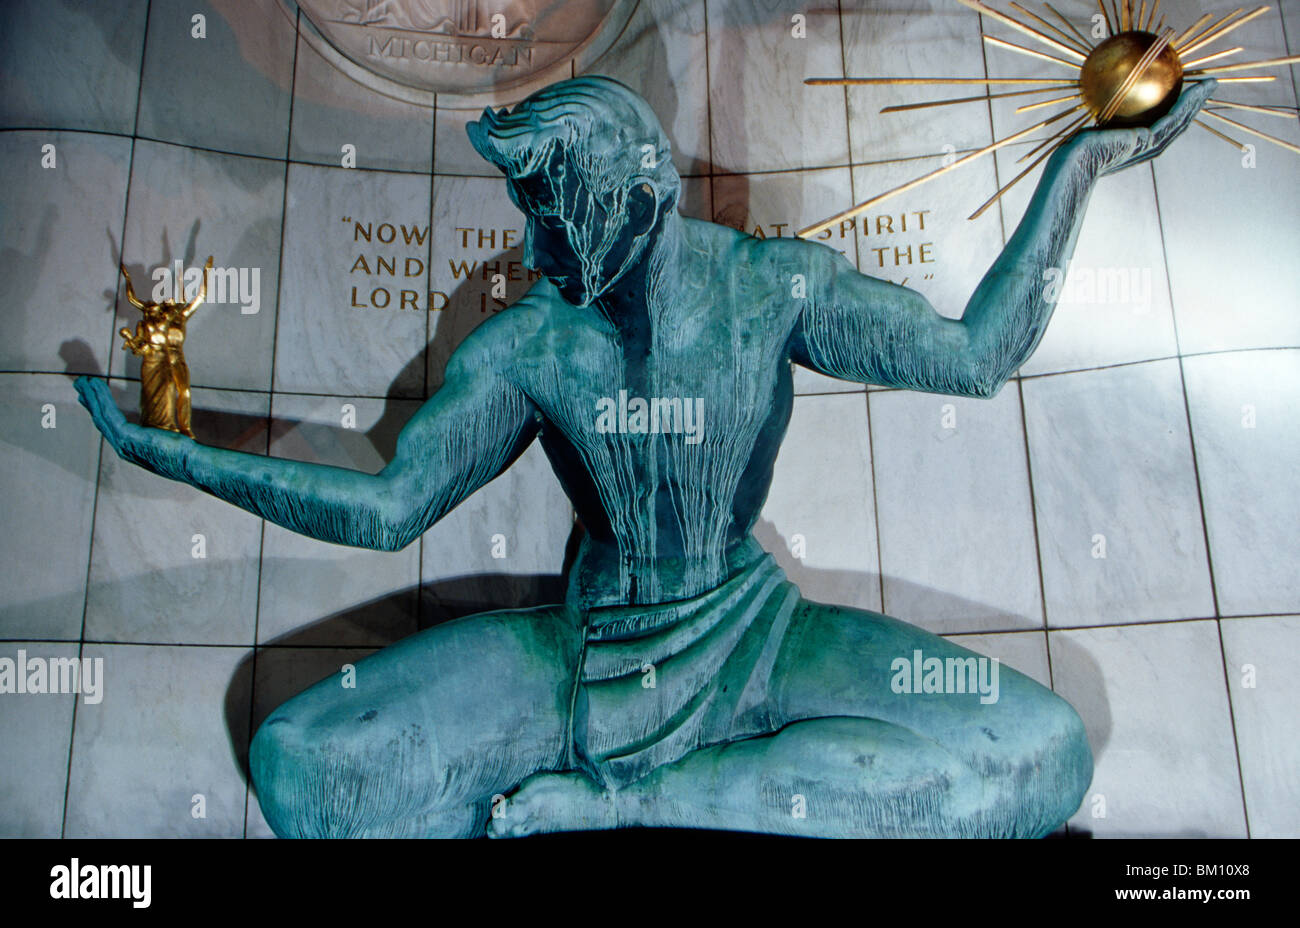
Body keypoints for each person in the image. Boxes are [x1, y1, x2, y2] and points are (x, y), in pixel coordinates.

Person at [76, 74, 1215, 837]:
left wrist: (1078, 167)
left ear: (636, 201)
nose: (533, 248)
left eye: (550, 212)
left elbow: (974, 358)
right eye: (525, 212)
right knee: (304, 767)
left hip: (758, 639)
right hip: (580, 655)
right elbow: (388, 509)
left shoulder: (774, 288)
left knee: (1040, 753)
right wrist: (178, 454)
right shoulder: (529, 343)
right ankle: (699, 786)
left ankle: (635, 801)